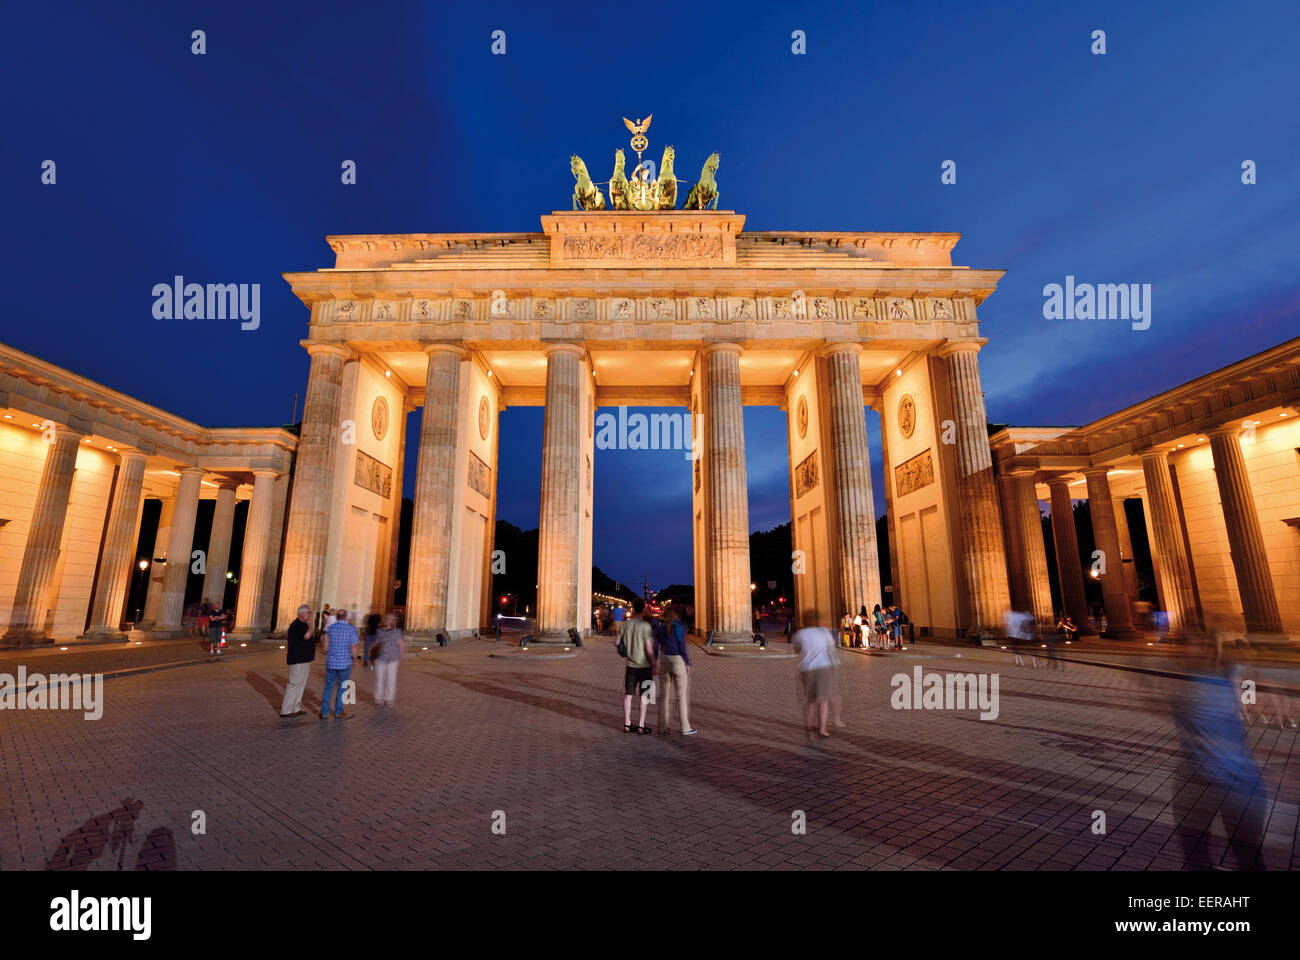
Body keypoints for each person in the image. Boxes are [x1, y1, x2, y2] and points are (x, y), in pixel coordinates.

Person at [793, 617, 838, 741]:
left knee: (810, 700)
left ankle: (808, 728)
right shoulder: (823, 631)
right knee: (823, 700)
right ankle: (822, 729)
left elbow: (796, 650)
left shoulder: (800, 633)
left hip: (807, 669)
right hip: (823, 667)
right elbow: (832, 647)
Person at [617, 597, 656, 734]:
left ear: (633, 608)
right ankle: (641, 725)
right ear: (644, 609)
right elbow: (649, 648)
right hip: (645, 666)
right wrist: (654, 663)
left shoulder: (625, 625)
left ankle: (627, 724)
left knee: (628, 695)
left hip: (631, 665)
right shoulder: (646, 626)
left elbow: (617, 643)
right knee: (645, 696)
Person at [655, 606, 695, 735]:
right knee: (681, 696)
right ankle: (685, 727)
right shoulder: (679, 628)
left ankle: (663, 727)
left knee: (664, 697)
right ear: (675, 617)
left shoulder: (659, 630)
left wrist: (656, 661)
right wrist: (687, 663)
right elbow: (682, 647)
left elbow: (656, 646)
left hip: (664, 660)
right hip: (678, 661)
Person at [320, 608, 358, 720]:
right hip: (344, 663)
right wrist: (355, 660)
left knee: (328, 687)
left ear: (336, 618)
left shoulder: (331, 628)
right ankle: (338, 711)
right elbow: (353, 647)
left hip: (331, 663)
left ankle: (324, 712)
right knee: (342, 687)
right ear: (346, 617)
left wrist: (327, 651)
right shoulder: (350, 629)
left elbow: (325, 646)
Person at [279, 604, 316, 717]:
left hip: (304, 659)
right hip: (297, 660)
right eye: (309, 613)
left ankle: (295, 707)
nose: (310, 615)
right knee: (295, 684)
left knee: (301, 684)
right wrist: (311, 625)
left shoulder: (303, 624)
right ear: (301, 613)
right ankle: (286, 710)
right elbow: (306, 636)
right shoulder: (297, 625)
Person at [371, 613, 404, 708]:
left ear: (393, 621)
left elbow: (401, 644)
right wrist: (372, 653)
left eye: (390, 619)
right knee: (379, 680)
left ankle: (389, 699)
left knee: (391, 680)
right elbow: (375, 643)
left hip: (393, 659)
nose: (387, 620)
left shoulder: (397, 631)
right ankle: (378, 700)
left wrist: (401, 656)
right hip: (380, 658)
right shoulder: (379, 631)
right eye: (386, 619)